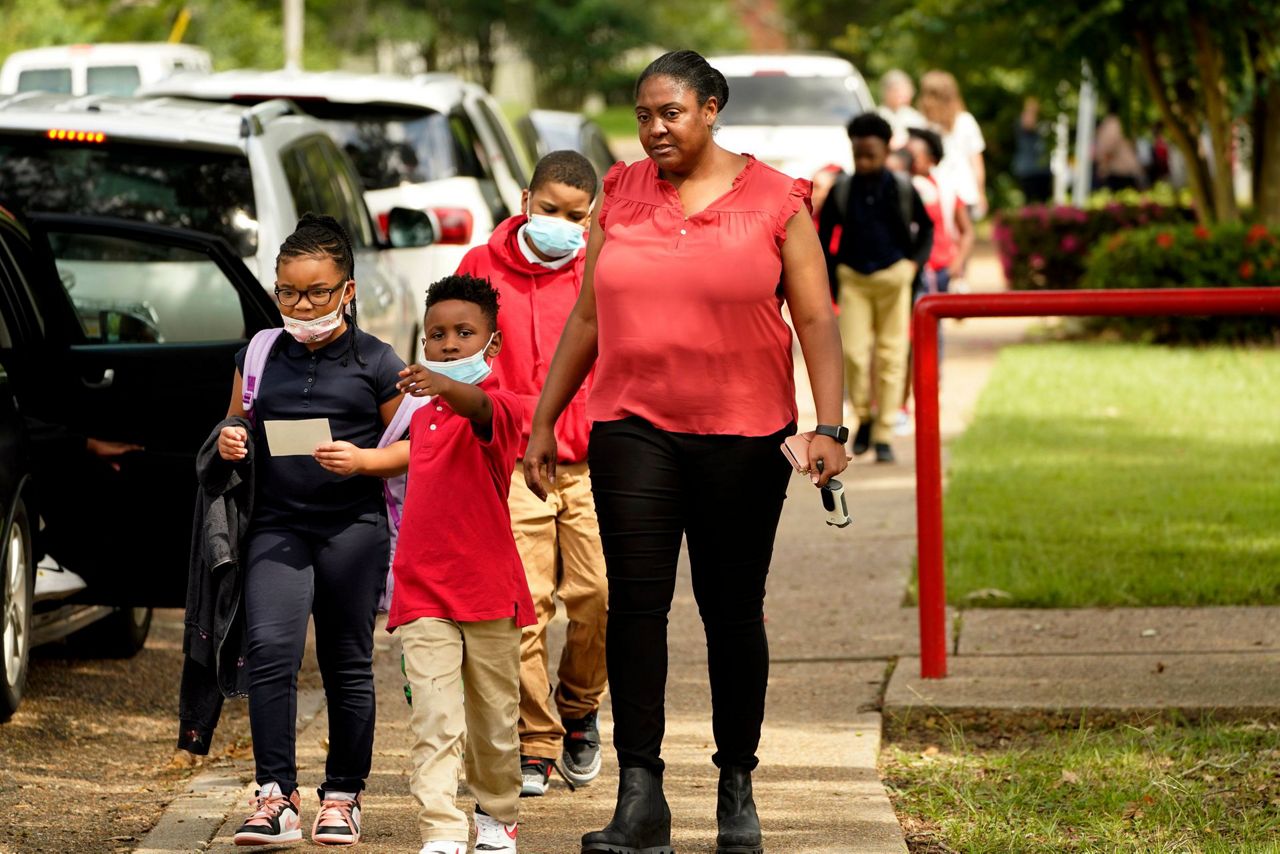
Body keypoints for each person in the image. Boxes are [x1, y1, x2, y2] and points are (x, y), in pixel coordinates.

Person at [523, 49, 848, 854]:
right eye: (642, 114)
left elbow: (816, 321)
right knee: (636, 607)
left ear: (711, 109)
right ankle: (641, 796)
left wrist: (830, 428)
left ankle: (737, 788)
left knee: (731, 614)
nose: (654, 128)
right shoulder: (620, 196)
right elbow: (590, 321)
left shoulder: (777, 200)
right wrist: (543, 421)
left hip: (744, 436)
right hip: (634, 428)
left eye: (669, 112)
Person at [321, 274, 534, 854]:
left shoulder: (502, 408)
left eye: (464, 333)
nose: (447, 343)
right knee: (434, 722)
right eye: (436, 334)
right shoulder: (422, 411)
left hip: (489, 592)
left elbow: (478, 406)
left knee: (493, 723)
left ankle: (497, 814)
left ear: (492, 344)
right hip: (422, 590)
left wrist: (441, 384)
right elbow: (409, 454)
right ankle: (441, 829)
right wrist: (362, 460)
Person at [214, 214, 407, 847]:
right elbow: (233, 423)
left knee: (346, 661)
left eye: (317, 292)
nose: (302, 306)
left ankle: (343, 796)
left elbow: (418, 448)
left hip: (353, 526)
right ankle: (276, 795)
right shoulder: (261, 352)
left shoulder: (378, 362)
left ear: (347, 291)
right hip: (278, 524)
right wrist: (233, 440)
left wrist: (364, 461)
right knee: (270, 653)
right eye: (288, 293)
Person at [456, 150, 609, 797]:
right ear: (525, 200)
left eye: (577, 216)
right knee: (524, 608)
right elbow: (454, 354)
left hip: (588, 463)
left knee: (597, 596)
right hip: (514, 465)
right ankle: (537, 738)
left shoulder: (600, 268)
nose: (561, 225)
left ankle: (580, 709)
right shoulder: (479, 267)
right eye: (550, 210)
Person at [818, 113, 933, 464]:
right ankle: (864, 418)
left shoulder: (901, 187)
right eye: (859, 155)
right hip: (853, 278)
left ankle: (884, 432)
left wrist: (913, 264)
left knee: (892, 355)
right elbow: (822, 238)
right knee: (852, 353)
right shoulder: (842, 189)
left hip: (894, 278)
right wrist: (831, 276)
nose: (864, 161)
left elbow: (925, 229)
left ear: (886, 151)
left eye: (871, 154)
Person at [906, 127, 974, 298]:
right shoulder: (900, 187)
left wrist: (957, 264)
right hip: (909, 269)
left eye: (913, 156)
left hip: (941, 271)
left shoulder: (947, 189)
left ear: (931, 159)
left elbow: (967, 231)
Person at [919, 70, 988, 219]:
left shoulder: (923, 126)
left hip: (944, 193)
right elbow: (976, 163)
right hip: (956, 192)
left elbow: (976, 163)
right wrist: (980, 192)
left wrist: (980, 192)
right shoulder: (965, 121)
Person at [1011, 96, 1052, 203]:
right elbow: (1028, 124)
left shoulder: (1043, 122)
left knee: (1043, 202)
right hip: (1027, 170)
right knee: (1029, 201)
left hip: (1043, 169)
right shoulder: (1021, 121)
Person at [877, 69, 926, 151]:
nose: (900, 94)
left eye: (903, 90)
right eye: (896, 90)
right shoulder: (878, 115)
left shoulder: (915, 117)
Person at [1094, 113, 1146, 192]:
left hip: (1119, 173)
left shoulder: (1111, 125)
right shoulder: (1124, 124)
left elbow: (1108, 148)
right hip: (1129, 171)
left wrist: (1103, 168)